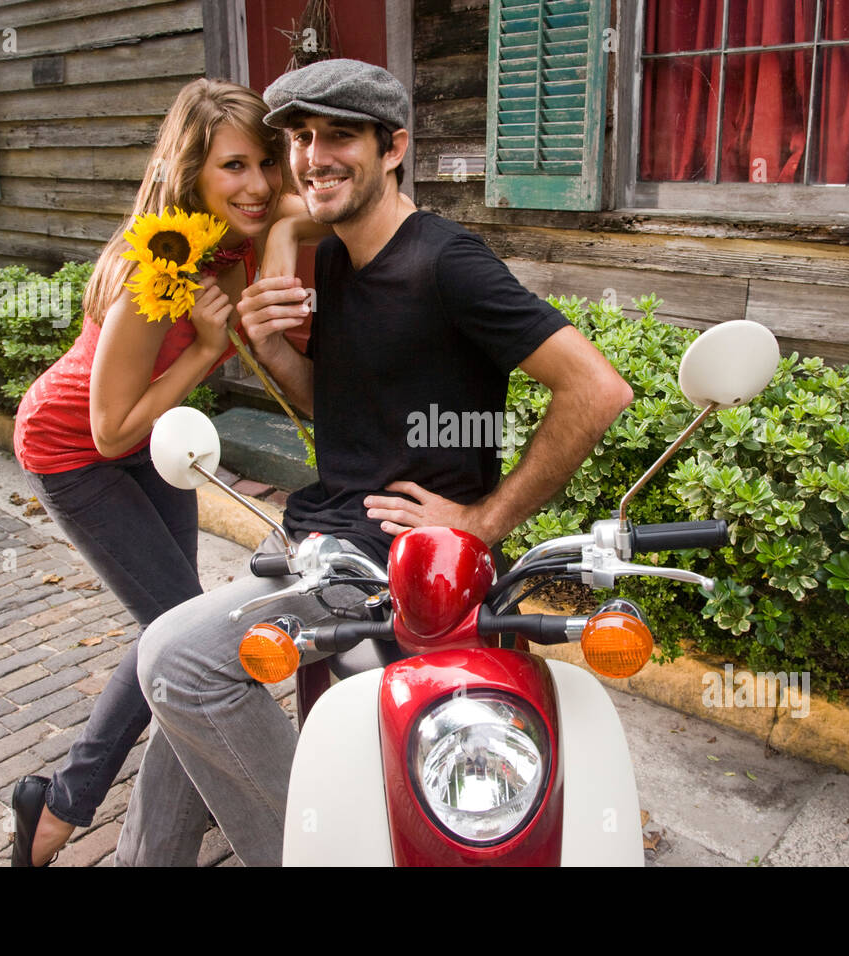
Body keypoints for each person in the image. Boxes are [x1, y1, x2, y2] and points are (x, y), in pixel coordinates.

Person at [113, 59, 634, 866]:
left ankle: (317, 850)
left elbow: (596, 390)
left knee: (177, 663)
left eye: (340, 136)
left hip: (393, 564)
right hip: (324, 539)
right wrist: (271, 342)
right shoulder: (336, 263)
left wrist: (483, 521)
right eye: (302, 137)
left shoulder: (447, 263)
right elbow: (338, 404)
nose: (314, 155)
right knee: (186, 684)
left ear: (393, 148)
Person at [8, 78, 327, 866]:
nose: (256, 185)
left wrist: (284, 234)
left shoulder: (239, 230)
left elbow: (315, 207)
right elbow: (109, 428)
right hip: (77, 450)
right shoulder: (161, 269)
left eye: (264, 163)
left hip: (157, 439)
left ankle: (76, 801)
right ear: (192, 175)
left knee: (173, 624)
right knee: (183, 632)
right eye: (232, 167)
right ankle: (64, 804)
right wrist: (209, 351)